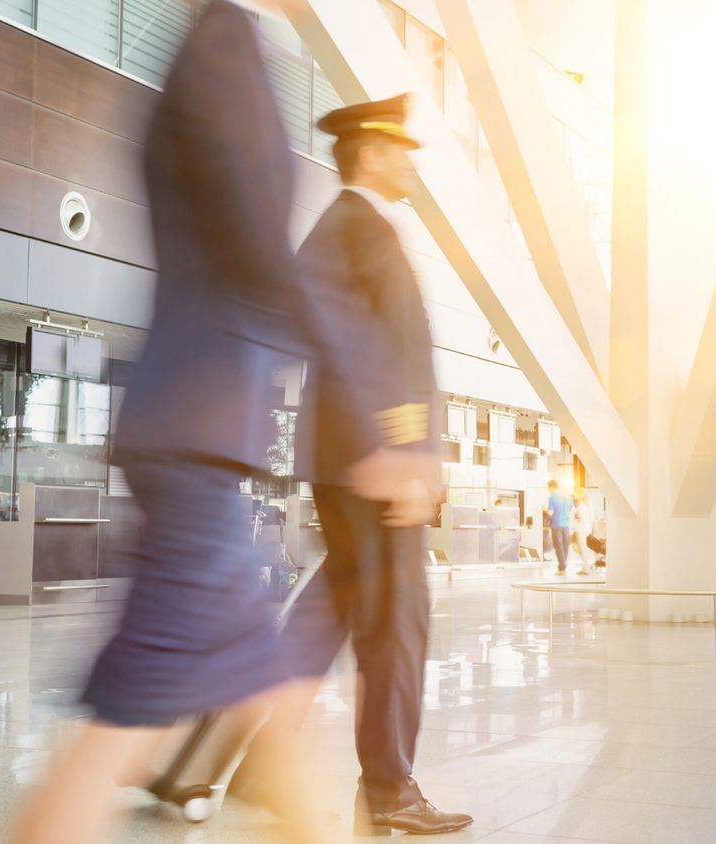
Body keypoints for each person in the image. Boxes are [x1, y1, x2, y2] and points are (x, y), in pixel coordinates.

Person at [5, 6, 424, 843]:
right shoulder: (223, 41)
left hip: (201, 434)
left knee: (265, 704)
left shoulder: (216, 43)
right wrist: (377, 435)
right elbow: (262, 254)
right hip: (196, 437)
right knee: (128, 720)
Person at [229, 94, 472, 836]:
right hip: (370, 462)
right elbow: (359, 348)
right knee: (396, 623)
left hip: (356, 457)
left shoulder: (354, 228)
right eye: (400, 150)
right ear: (370, 153)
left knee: (331, 609)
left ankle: (259, 766)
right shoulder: (356, 227)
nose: (410, 161)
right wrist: (396, 450)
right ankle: (390, 789)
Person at [544, 480, 574, 574]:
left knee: (559, 547)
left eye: (549, 488)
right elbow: (573, 510)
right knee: (565, 547)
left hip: (557, 525)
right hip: (566, 525)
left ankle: (561, 569)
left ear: (552, 487)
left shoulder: (552, 497)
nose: (549, 490)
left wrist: (543, 508)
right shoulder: (568, 497)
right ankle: (563, 567)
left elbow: (550, 513)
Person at [572, 488, 597, 575]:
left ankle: (585, 569)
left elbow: (580, 516)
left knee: (582, 549)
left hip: (581, 529)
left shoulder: (582, 505)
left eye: (576, 493)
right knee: (580, 548)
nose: (574, 495)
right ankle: (585, 567)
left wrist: (573, 512)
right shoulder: (586, 504)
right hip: (584, 529)